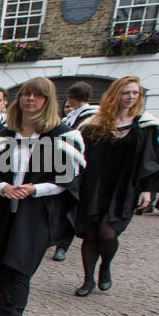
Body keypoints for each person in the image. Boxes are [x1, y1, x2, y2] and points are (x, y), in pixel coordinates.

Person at [0, 78, 84, 316]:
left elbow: (67, 180)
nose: (30, 100)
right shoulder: (5, 134)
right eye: (25, 95)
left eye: (38, 96)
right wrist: (3, 187)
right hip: (2, 210)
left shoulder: (60, 137)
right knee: (3, 265)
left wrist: (33, 189)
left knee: (19, 268)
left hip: (36, 212)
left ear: (48, 101)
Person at [71, 76, 159, 296]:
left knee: (108, 233)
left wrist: (147, 189)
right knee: (91, 234)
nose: (130, 97)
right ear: (115, 95)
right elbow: (80, 155)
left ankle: (106, 267)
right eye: (126, 92)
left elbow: (151, 159)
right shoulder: (94, 124)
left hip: (123, 187)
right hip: (94, 185)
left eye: (135, 93)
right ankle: (88, 279)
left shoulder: (144, 125)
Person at [53, 82, 97, 259]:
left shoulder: (92, 118)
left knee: (71, 205)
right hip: (66, 166)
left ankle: (63, 243)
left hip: (80, 169)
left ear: (71, 97)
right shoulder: (70, 118)